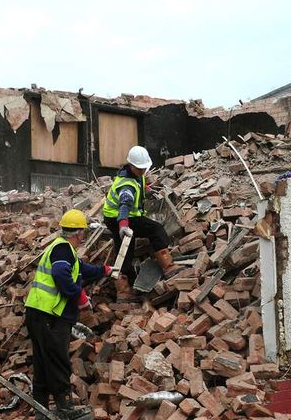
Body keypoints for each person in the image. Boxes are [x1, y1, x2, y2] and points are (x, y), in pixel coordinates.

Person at [24, 209, 112, 420]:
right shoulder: (63, 250)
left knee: (43, 361)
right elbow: (61, 274)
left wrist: (104, 270)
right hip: (50, 315)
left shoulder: (61, 249)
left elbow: (80, 269)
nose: (83, 237)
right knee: (57, 360)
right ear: (79, 233)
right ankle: (64, 407)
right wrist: (80, 299)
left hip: (38, 313)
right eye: (83, 233)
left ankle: (40, 410)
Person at [102, 145, 178, 280]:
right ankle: (168, 266)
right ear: (131, 165)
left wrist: (146, 189)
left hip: (113, 217)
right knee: (156, 229)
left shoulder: (134, 174)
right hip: (120, 218)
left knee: (125, 251)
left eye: (144, 168)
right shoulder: (127, 185)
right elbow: (124, 206)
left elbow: (139, 183)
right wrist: (123, 225)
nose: (142, 171)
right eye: (139, 168)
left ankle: (123, 288)